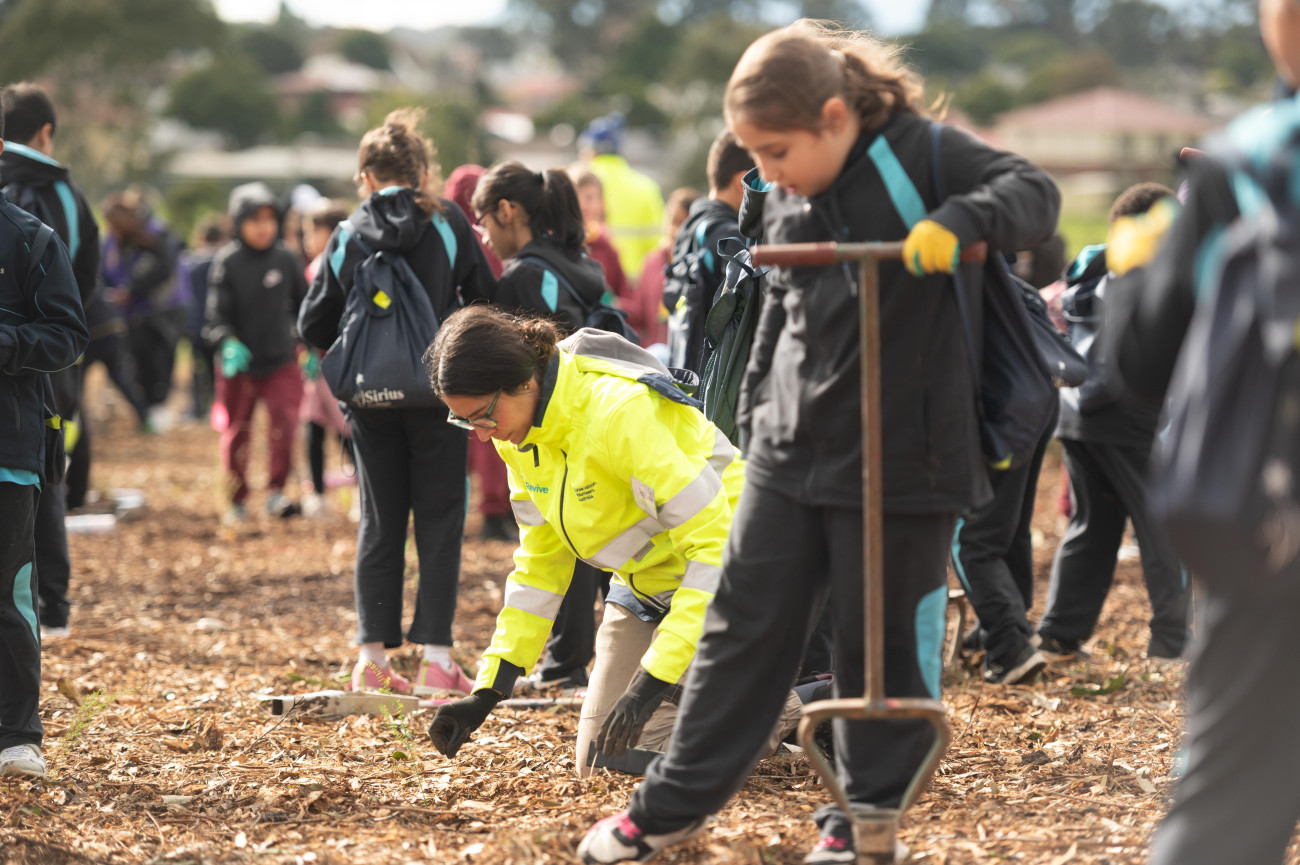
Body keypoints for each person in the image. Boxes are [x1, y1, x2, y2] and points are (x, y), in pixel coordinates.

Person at [577, 20, 1059, 864]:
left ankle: (862, 817)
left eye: (776, 150)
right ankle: (670, 806)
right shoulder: (782, 183)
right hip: (793, 442)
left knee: (873, 641)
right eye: (753, 154)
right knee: (741, 623)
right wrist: (761, 408)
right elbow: (780, 309)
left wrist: (962, 216)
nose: (762, 172)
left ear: (835, 116)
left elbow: (1034, 194)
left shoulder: (927, 156)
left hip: (909, 449)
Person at [1105, 4, 1300, 860]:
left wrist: (1144, 266)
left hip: (1275, 530)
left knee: (1225, 818)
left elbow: (1140, 364)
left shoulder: (1258, 159)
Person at [424, 306, 760, 776]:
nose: (482, 437)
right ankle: (733, 686)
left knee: (679, 751)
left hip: (740, 564)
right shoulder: (516, 437)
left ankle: (796, 700)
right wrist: (488, 691)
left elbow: (716, 546)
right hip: (645, 587)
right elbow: (541, 562)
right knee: (602, 763)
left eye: (482, 416)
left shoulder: (616, 415)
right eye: (465, 423)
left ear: (523, 382)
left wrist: (652, 679)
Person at [298, 108, 497, 696]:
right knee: (440, 520)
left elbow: (313, 320)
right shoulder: (449, 223)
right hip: (440, 394)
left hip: (369, 401)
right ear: (423, 172)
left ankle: (373, 661)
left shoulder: (347, 232)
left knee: (379, 522)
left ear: (365, 177)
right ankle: (437, 659)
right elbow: (485, 300)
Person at [472, 160, 621, 691]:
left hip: (560, 417)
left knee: (564, 532)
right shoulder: (581, 262)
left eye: (485, 221)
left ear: (508, 211)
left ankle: (564, 665)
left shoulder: (523, 276)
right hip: (609, 410)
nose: (485, 236)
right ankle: (601, 660)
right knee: (610, 537)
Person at [1034, 182, 1190, 662]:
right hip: (1130, 417)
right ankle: (1172, 642)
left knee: (1092, 526)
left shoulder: (1089, 268)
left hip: (1079, 414)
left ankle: (1059, 634)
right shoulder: (1146, 272)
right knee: (1164, 530)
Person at [0, 117, 89, 779]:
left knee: (9, 590)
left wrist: (5, 344)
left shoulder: (32, 237)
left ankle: (16, 733)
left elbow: (66, 334)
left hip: (11, 445)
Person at [0, 82, 101, 641]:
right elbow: (78, 280)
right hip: (49, 360)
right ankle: (52, 604)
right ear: (46, 132)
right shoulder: (64, 196)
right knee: (46, 469)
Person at [203, 182, 308, 523]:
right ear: (239, 222)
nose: (264, 227)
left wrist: (310, 345)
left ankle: (277, 493)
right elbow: (214, 315)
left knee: (286, 424)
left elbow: (306, 307)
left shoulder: (286, 258)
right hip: (241, 364)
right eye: (255, 220)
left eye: (269, 219)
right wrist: (227, 342)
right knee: (238, 431)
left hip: (280, 360)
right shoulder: (227, 261)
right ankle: (235, 499)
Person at [444, 164, 513, 541]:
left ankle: (473, 511)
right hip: (486, 345)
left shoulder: (445, 234)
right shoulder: (484, 240)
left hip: (451, 347)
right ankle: (494, 510)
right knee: (490, 430)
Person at [664, 130, 755, 374]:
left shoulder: (689, 226)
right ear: (742, 182)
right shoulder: (729, 236)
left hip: (685, 375)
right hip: (715, 385)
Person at [100, 189, 184, 431]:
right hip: (130, 313)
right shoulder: (114, 242)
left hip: (159, 311)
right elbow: (108, 272)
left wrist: (132, 289)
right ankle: (147, 411)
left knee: (158, 361)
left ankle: (157, 408)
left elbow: (162, 269)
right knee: (135, 363)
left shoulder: (154, 236)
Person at [298, 201, 352, 520]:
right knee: (318, 428)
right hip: (318, 365)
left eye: (312, 231)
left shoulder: (327, 266)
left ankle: (343, 492)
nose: (307, 238)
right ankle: (316, 493)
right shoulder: (314, 265)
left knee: (342, 430)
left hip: (332, 363)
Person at [581, 113, 665, 281]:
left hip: (584, 283)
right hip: (635, 285)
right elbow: (658, 246)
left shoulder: (576, 182)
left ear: (590, 149)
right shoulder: (647, 187)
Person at [634, 187, 699, 351]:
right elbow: (639, 311)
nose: (674, 230)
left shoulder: (697, 266)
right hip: (652, 356)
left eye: (681, 223)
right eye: (671, 222)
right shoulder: (652, 261)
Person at [182, 215, 228, 423]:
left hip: (195, 322)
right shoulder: (226, 259)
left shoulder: (190, 261)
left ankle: (198, 409)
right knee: (219, 369)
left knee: (198, 368)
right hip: (219, 324)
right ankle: (220, 407)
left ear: (200, 237)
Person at [570, 167, 631, 304]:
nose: (582, 205)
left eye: (590, 198)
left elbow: (629, 301)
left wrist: (610, 304)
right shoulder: (554, 245)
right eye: (575, 197)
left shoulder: (607, 249)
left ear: (602, 205)